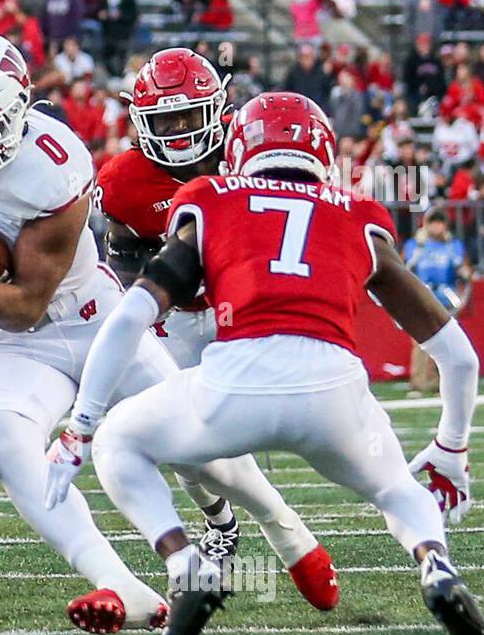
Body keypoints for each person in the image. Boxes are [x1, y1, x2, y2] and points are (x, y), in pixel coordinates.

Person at [0, 33, 336, 635]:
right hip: (10, 342)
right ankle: (122, 585)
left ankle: (285, 529)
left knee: (197, 445)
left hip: (90, 320)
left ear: (18, 116)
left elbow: (27, 301)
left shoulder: (52, 162)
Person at [46, 92, 484, 635]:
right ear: (325, 151)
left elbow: (132, 315)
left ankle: (186, 564)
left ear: (238, 146)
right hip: (334, 389)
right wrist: (452, 448)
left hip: (237, 385)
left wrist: (81, 425)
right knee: (397, 490)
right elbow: (458, 357)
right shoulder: (359, 214)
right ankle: (435, 564)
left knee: (117, 441)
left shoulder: (208, 197)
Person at [92, 48, 337, 606]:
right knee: (182, 439)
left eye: (188, 117)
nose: (179, 132)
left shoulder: (249, 147)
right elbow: (126, 261)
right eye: (166, 120)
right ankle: (223, 521)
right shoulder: (125, 180)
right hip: (176, 312)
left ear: (218, 109)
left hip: (243, 303)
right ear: (140, 122)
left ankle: (274, 523)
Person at [404, 210, 472, 394]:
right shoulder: (416, 245)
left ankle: (438, 380)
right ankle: (418, 381)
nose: (437, 226)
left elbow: (464, 271)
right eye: (433, 222)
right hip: (421, 296)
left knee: (445, 340)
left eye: (440, 222)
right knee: (420, 341)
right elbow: (405, 268)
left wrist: (464, 276)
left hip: (445, 297)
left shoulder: (453, 246)